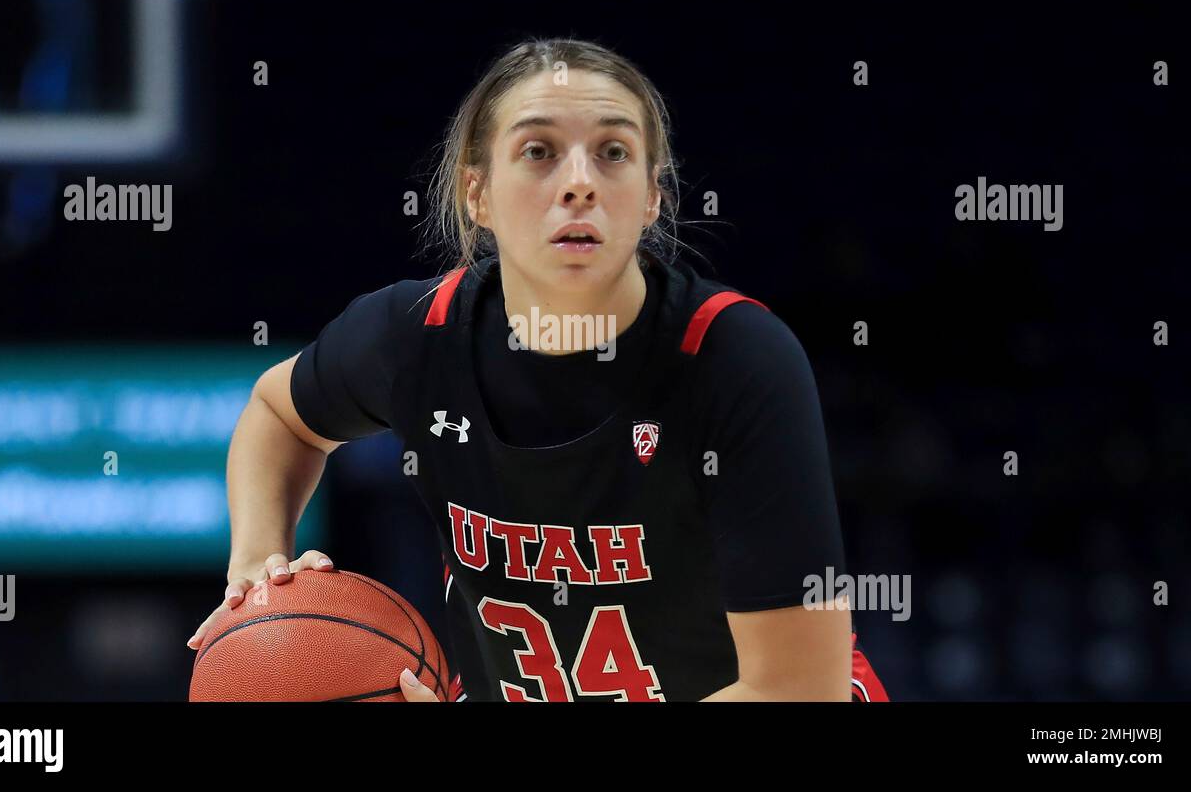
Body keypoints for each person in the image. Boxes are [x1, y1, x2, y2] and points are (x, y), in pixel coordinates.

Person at [188, 37, 888, 702]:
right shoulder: (412, 338)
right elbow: (280, 414)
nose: (579, 182)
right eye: (539, 151)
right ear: (478, 194)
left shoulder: (737, 358)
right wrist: (256, 559)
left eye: (613, 152)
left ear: (653, 196)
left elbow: (796, 688)